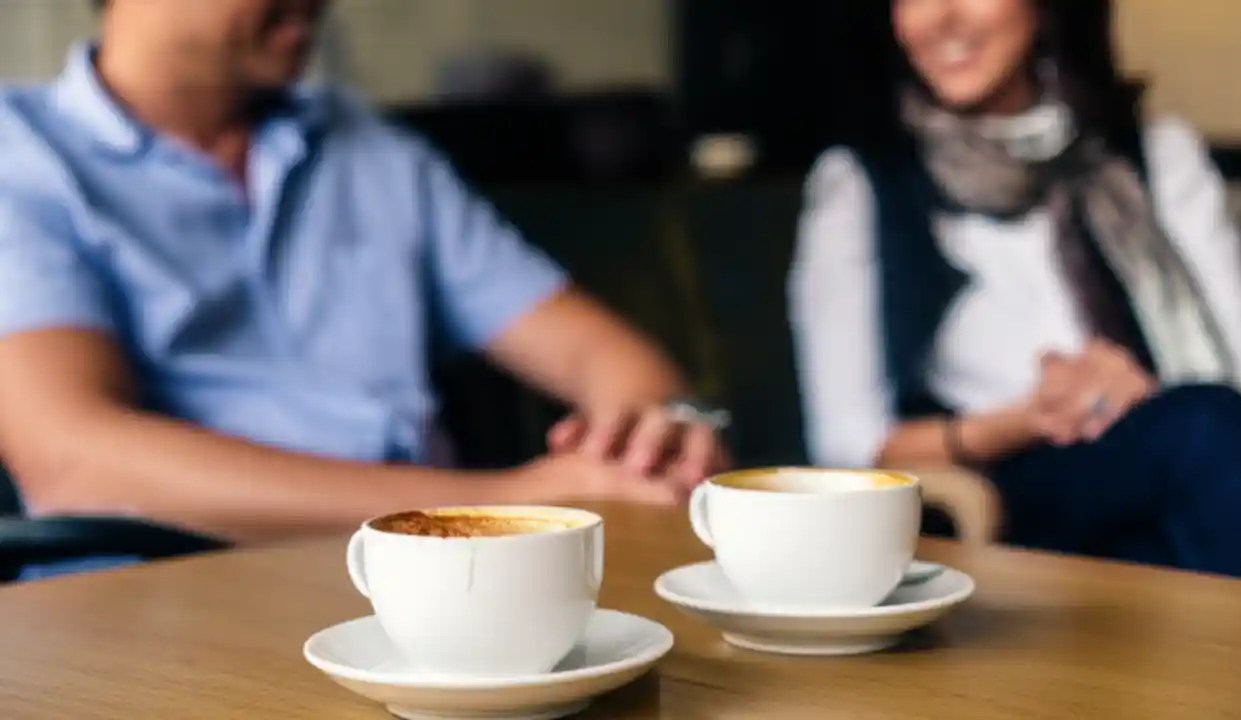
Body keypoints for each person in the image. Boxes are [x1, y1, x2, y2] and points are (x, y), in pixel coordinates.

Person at [0, 0, 729, 546]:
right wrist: (502, 502)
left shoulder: (371, 152)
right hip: (163, 595)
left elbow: (605, 357)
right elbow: (74, 461)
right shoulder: (22, 159)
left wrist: (653, 437)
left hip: (417, 580)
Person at [789, 0, 1241, 579]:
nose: (942, 18)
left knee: (1190, 467)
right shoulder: (860, 183)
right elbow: (847, 446)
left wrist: (1129, 393)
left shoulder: (1155, 154)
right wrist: (1030, 418)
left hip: (1168, 454)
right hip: (998, 489)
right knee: (1204, 438)